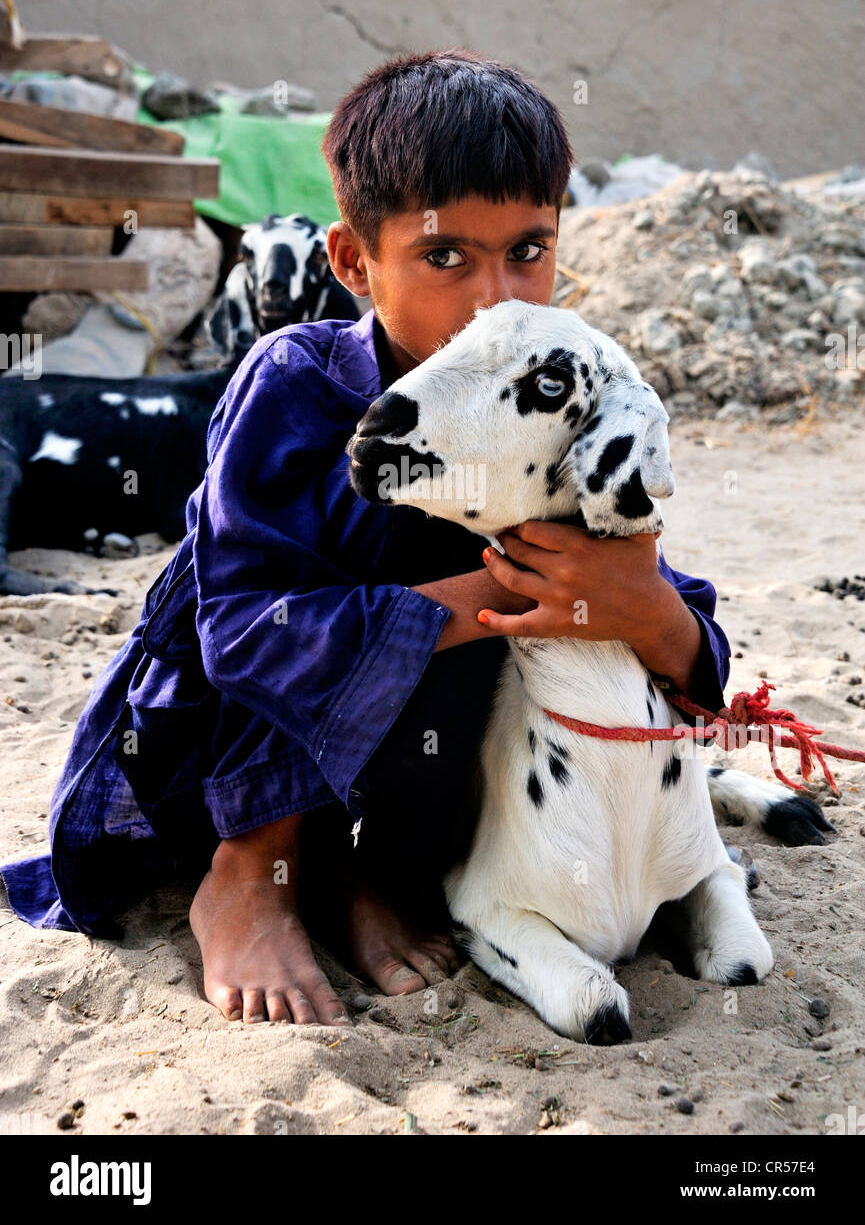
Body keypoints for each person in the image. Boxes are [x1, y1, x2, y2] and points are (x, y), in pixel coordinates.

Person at [0, 50, 730, 1026]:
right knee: (333, 572)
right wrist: (485, 602)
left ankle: (369, 875)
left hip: (426, 784)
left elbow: (681, 648)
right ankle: (256, 872)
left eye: (527, 251)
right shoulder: (299, 383)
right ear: (353, 262)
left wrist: (642, 607)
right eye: (444, 257)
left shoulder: (548, 396)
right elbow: (243, 633)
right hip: (240, 761)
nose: (495, 300)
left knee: (583, 640)